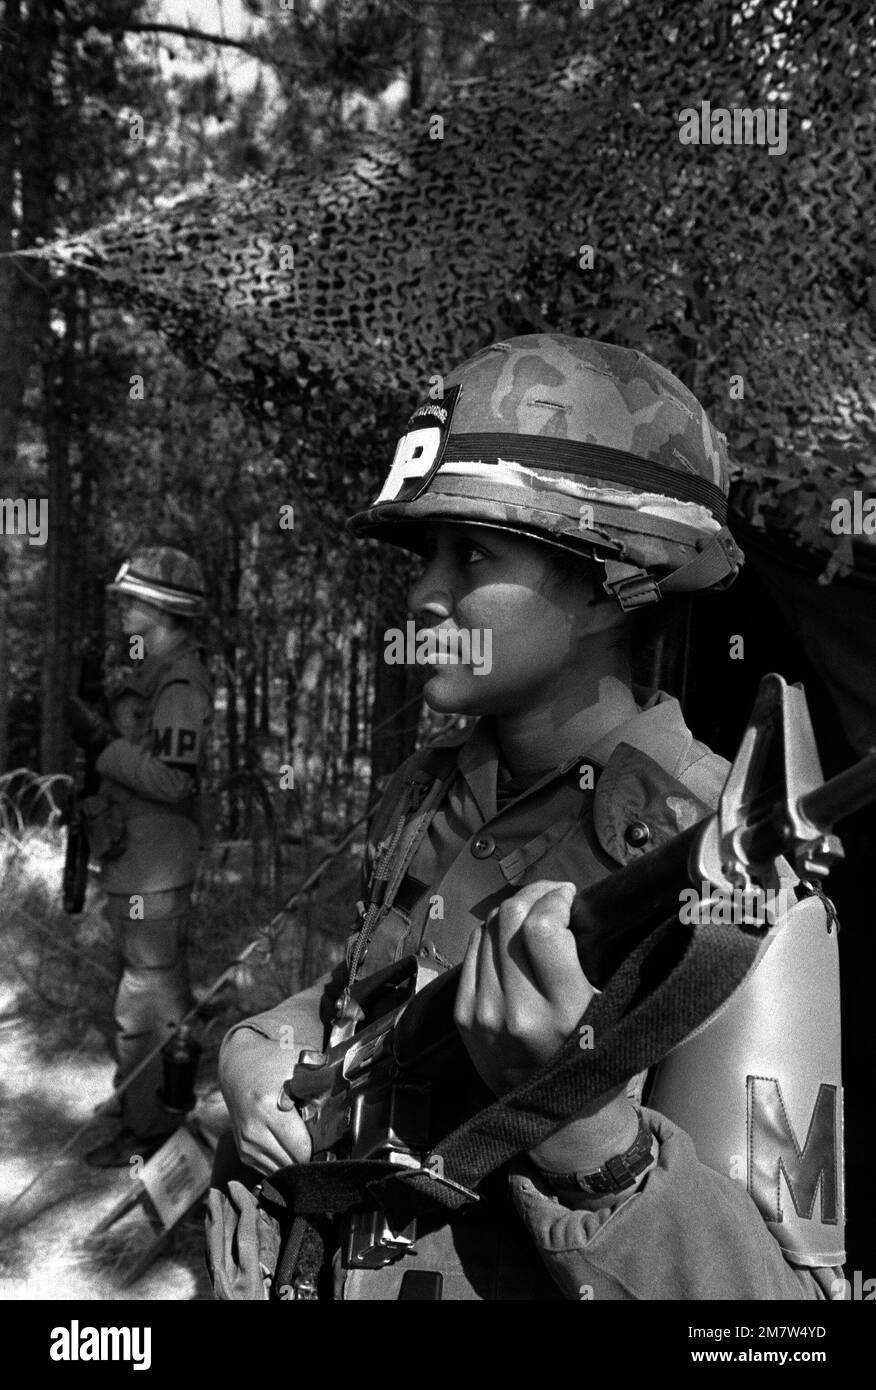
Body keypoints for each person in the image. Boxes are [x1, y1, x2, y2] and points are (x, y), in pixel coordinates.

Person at [209, 335, 840, 1299]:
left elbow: (777, 1325)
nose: (425, 592)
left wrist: (589, 1135)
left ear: (607, 582)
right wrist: (258, 1045)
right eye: (427, 552)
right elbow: (358, 994)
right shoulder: (430, 790)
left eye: (473, 553)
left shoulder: (731, 863)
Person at [67, 546, 214, 1168]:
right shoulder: (149, 667)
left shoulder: (181, 681)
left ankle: (150, 1131)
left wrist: (101, 745)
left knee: (146, 999)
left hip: (157, 864)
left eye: (132, 600)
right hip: (134, 859)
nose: (122, 609)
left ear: (165, 609)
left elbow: (175, 781)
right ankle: (143, 1101)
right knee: (148, 990)